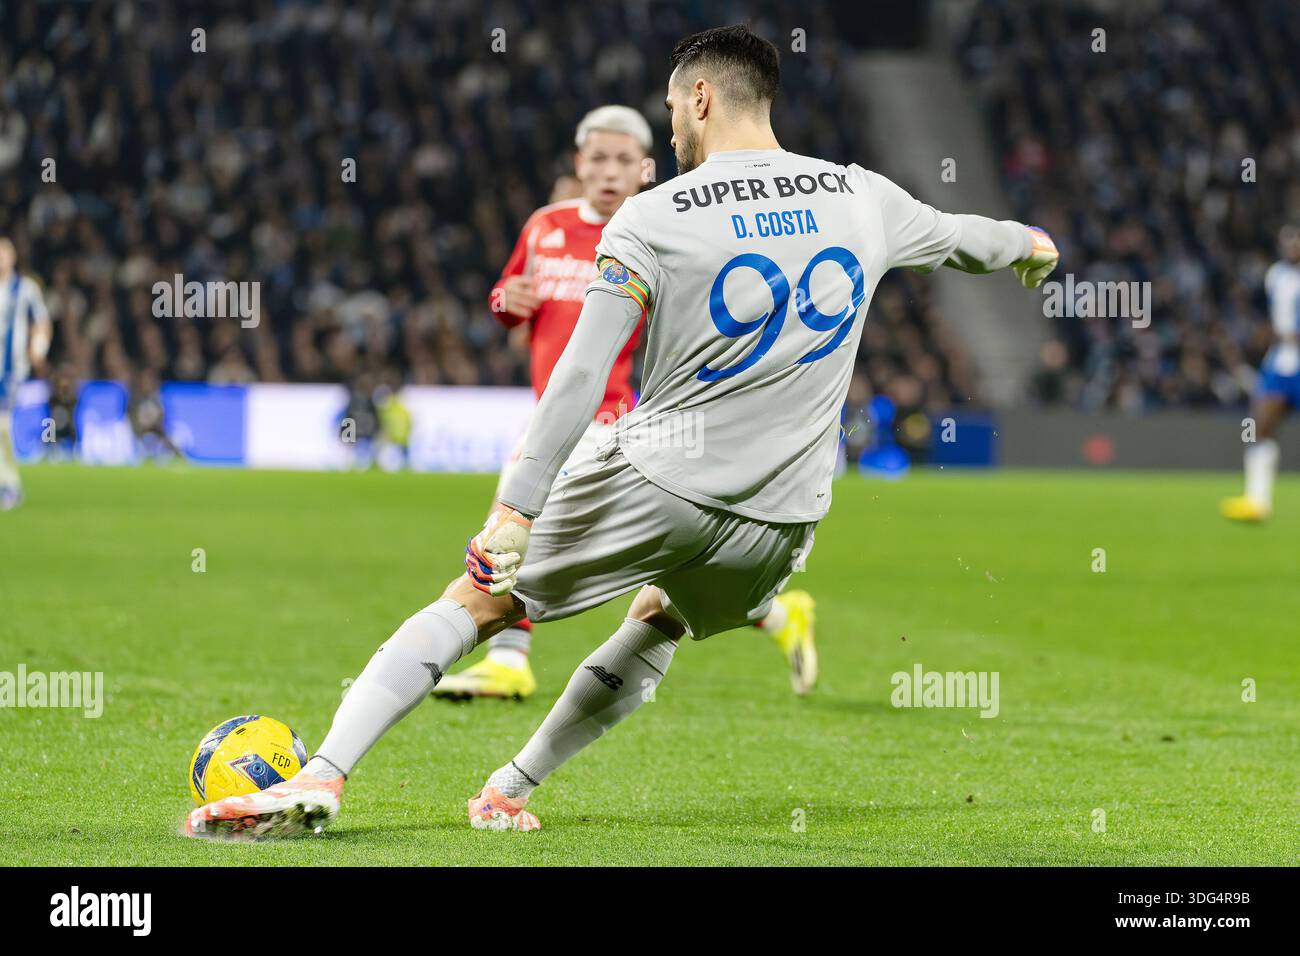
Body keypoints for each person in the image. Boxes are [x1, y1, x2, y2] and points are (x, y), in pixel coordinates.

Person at [184, 24, 1058, 839]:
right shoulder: (860, 195)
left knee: (482, 600)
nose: (671, 128)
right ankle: (507, 791)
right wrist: (1029, 241)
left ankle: (324, 775)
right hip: (786, 513)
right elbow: (967, 240)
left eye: (675, 109)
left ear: (704, 98)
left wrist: (516, 509)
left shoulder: (655, 216)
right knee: (662, 619)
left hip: (663, 473)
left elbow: (575, 379)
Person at [435, 104, 816, 702]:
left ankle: (508, 658)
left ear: (644, 169)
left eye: (623, 161)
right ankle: (772, 612)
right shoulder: (545, 226)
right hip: (553, 415)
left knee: (517, 522)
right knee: (646, 556)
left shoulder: (654, 231)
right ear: (578, 164)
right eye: (598, 159)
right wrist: (506, 297)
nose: (610, 172)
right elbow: (508, 304)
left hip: (613, 416)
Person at [1220, 223, 1300, 522]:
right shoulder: (1276, 275)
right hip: (1281, 362)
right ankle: (1257, 502)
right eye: (1287, 240)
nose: (1292, 246)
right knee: (1260, 425)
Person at [0, 237, 52, 510]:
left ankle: (10, 485)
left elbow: (42, 321)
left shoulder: (25, 288)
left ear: (13, 258)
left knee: (2, 425)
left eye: (4, 254)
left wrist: (38, 349)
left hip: (9, 370)